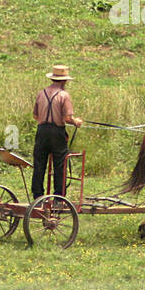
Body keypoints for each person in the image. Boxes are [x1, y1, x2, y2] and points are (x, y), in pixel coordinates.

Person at [32, 64, 83, 199]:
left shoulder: (41, 93)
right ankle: (59, 197)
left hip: (42, 131)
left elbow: (35, 116)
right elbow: (67, 118)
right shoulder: (64, 95)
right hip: (57, 132)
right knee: (60, 165)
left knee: (39, 164)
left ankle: (37, 196)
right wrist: (76, 122)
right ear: (64, 81)